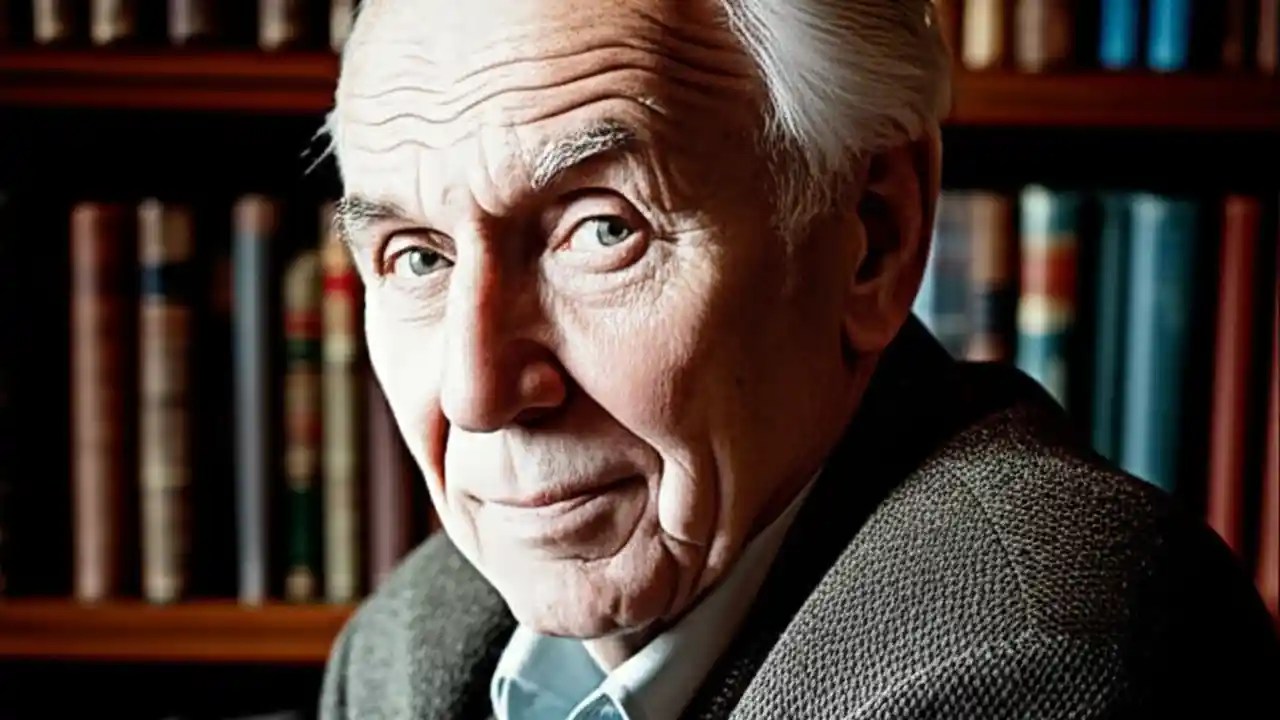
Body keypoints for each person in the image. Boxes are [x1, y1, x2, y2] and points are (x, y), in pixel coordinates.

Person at [318, 1, 1279, 717]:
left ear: (871, 236)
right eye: (418, 258)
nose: (478, 390)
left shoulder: (1035, 656)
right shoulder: (409, 649)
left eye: (602, 230)